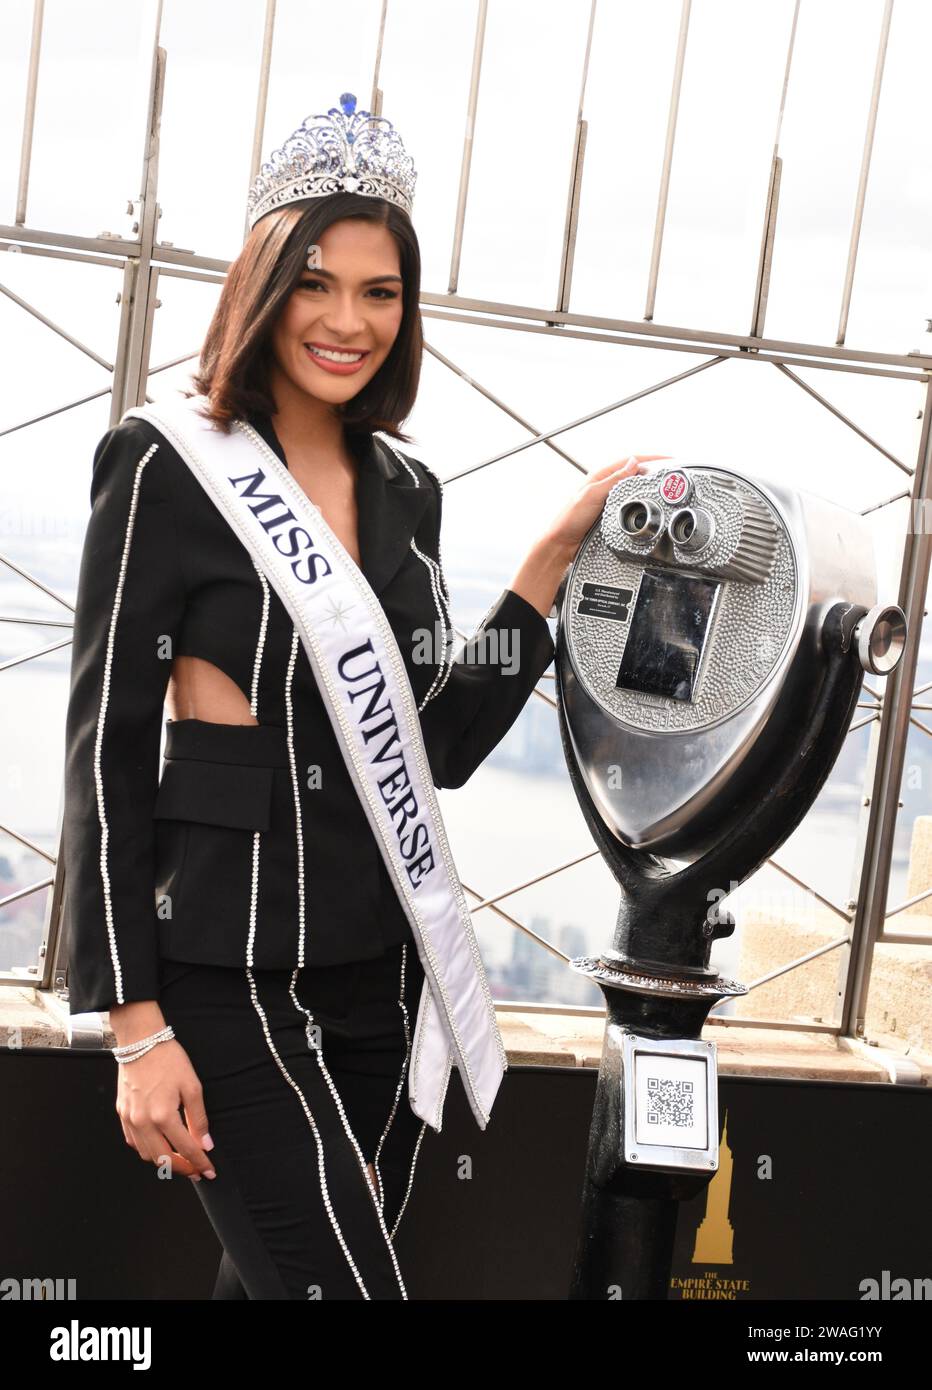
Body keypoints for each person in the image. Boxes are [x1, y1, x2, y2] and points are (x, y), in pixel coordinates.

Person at [61, 91, 660, 1300]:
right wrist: (134, 1025)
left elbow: (432, 741)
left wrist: (544, 565)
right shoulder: (170, 464)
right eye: (315, 283)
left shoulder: (407, 490)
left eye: (379, 292)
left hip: (380, 984)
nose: (346, 320)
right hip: (228, 979)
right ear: (261, 285)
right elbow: (104, 756)